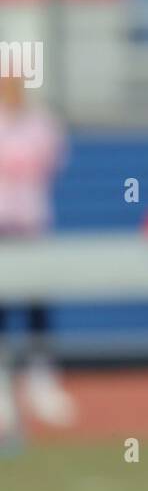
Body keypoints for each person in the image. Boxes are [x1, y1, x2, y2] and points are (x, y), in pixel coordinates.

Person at [0, 73, 73, 435]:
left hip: (31, 227)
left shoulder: (41, 123)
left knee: (36, 309)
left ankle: (40, 380)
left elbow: (52, 163)